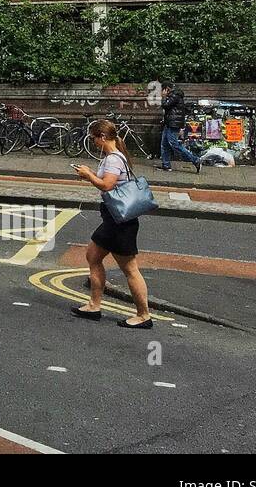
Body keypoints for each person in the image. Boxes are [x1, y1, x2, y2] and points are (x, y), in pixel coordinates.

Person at [71, 119, 153, 329]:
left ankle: (144, 316)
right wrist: (89, 173)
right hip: (113, 219)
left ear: (103, 137)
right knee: (93, 256)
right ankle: (94, 305)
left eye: (93, 138)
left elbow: (107, 185)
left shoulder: (113, 159)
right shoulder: (112, 157)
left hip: (120, 222)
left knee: (130, 269)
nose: (93, 142)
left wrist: (88, 175)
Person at [159, 80, 201, 173]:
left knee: (174, 144)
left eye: (162, 90)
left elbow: (165, 105)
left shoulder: (174, 95)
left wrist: (164, 97)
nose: (161, 92)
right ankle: (166, 165)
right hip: (169, 123)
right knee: (164, 144)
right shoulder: (174, 95)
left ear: (167, 89)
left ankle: (195, 160)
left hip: (173, 124)